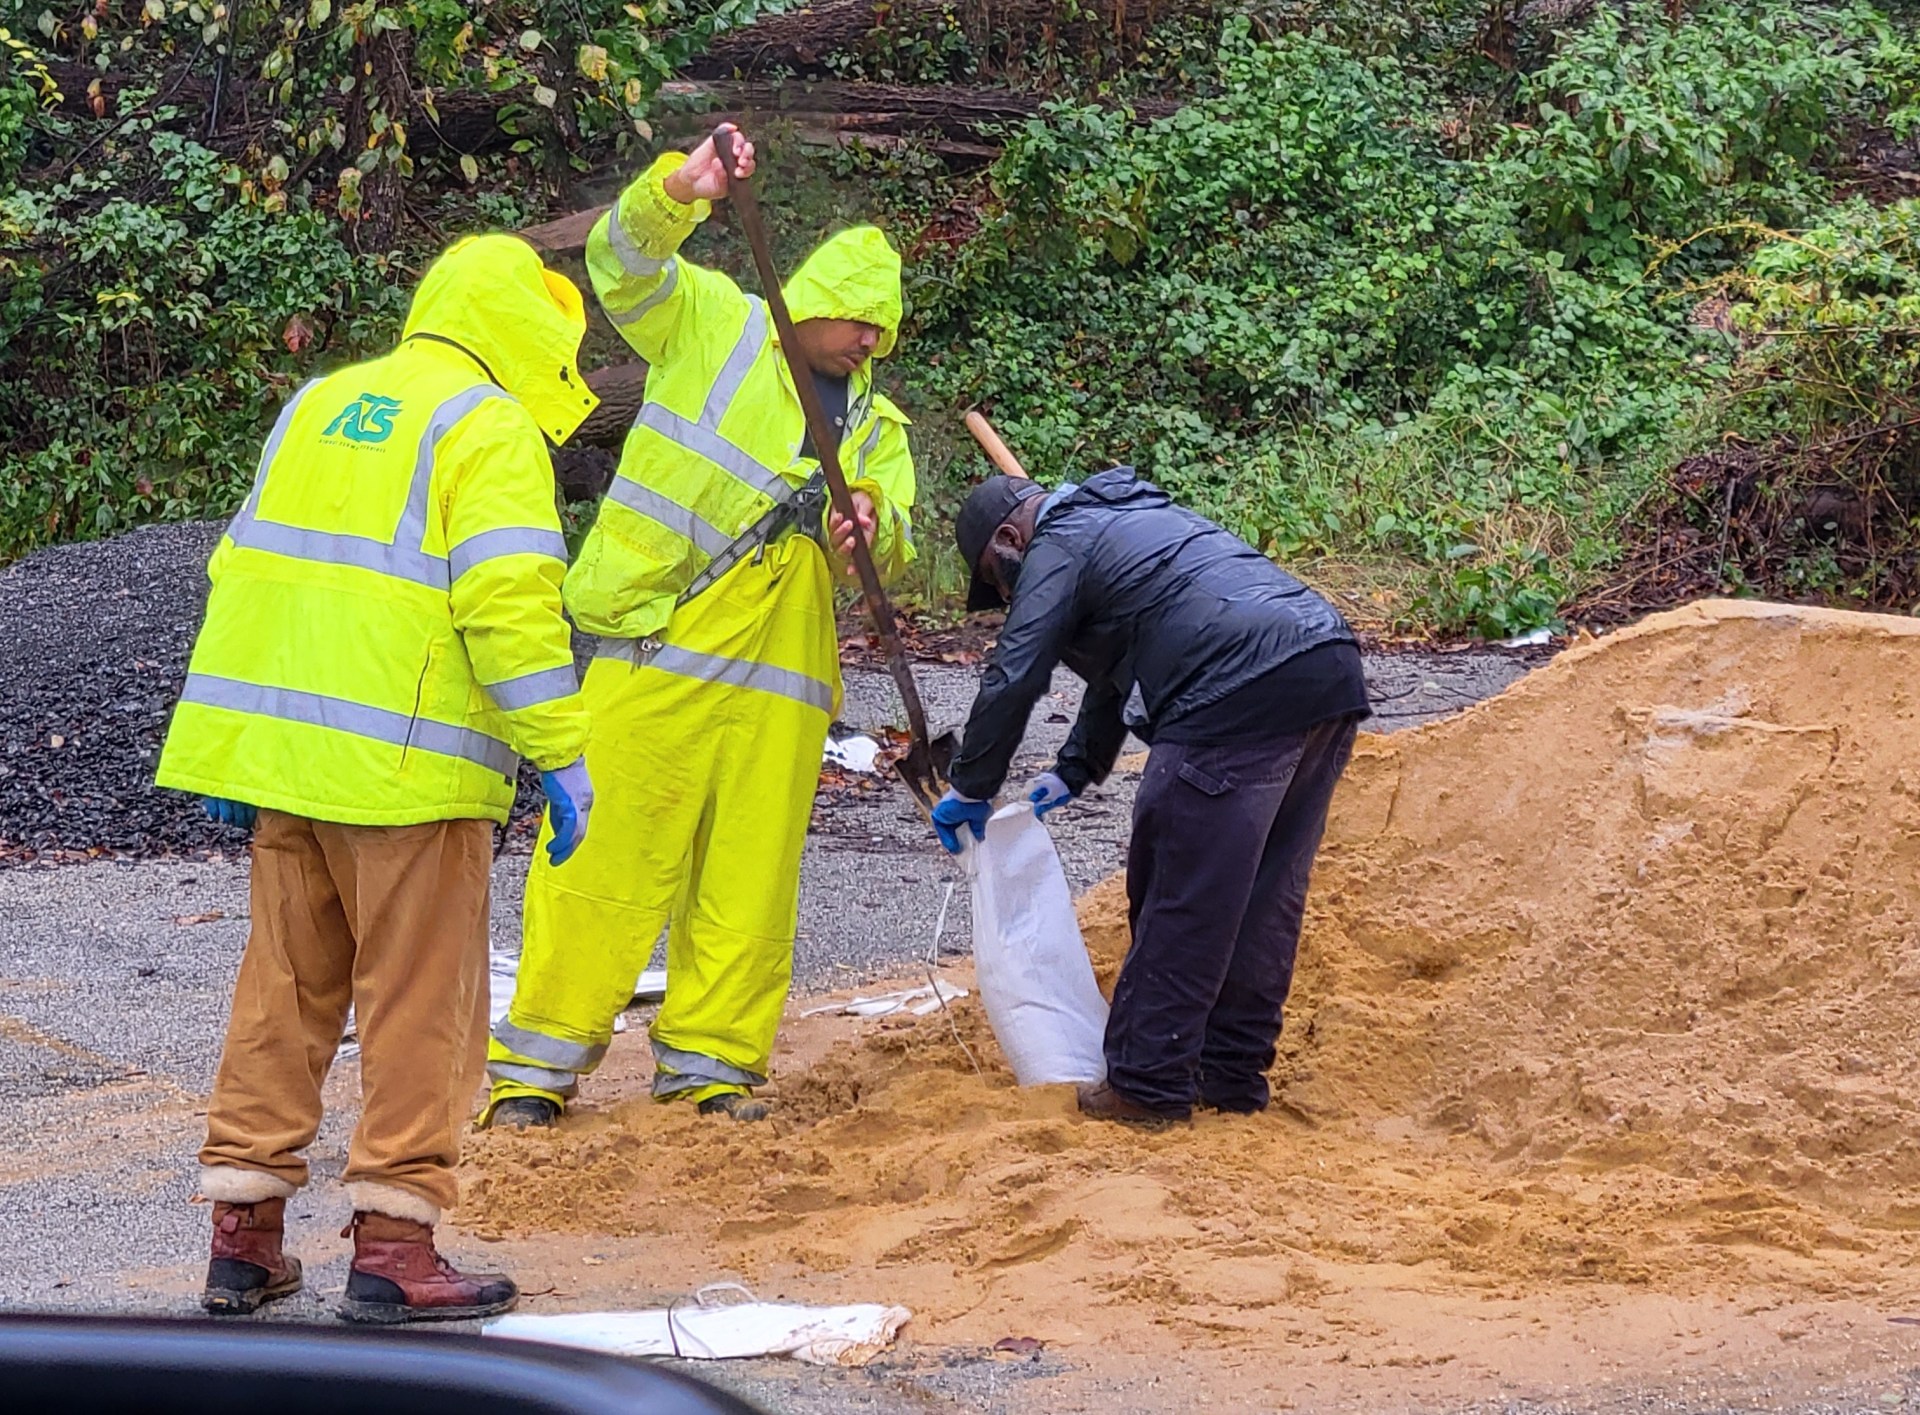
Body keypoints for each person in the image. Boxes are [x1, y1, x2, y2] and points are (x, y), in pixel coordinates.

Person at [154, 234, 599, 1322]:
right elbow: (507, 601)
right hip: (411, 771)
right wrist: (561, 749)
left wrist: (235, 734)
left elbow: (246, 565)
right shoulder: (484, 423)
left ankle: (243, 1233)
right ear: (531, 336)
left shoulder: (319, 400)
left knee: (282, 992)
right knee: (420, 1005)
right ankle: (396, 1243)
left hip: (285, 760)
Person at [484, 126, 917, 1129]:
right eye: (855, 319)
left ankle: (713, 1064)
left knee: (746, 887)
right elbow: (623, 267)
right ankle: (535, 1074)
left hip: (778, 684)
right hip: (657, 645)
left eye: (881, 334)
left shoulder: (876, 431)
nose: (866, 341)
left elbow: (889, 549)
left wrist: (870, 528)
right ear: (809, 302)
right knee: (600, 862)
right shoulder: (717, 322)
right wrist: (682, 189)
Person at [932, 469, 1370, 1126]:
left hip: (1233, 682)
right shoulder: (1133, 522)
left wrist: (971, 784)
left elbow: (1015, 668)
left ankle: (1147, 1083)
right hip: (1325, 662)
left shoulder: (1059, 540)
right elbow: (1118, 667)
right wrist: (1074, 768)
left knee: (1180, 877)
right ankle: (1227, 1073)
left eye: (999, 585)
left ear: (1008, 537)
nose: (1008, 600)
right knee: (1260, 891)